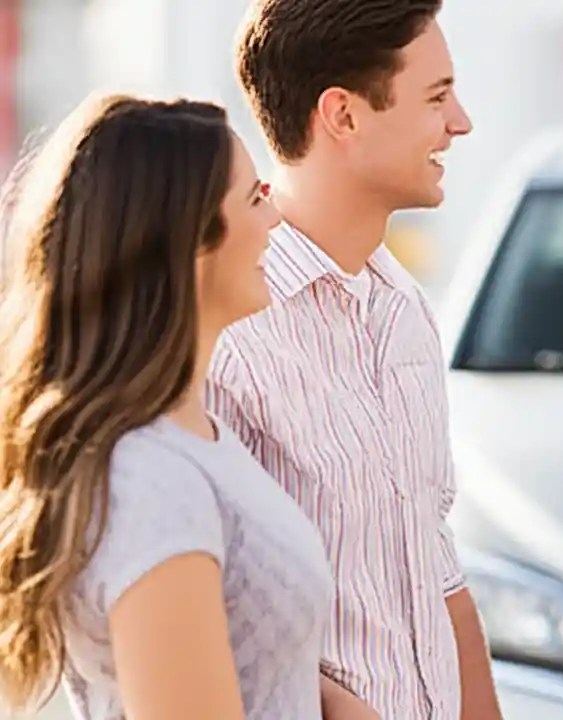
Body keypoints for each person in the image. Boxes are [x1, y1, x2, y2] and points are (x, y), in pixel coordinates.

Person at [208, 2, 500, 719]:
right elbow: (200, 607)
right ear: (342, 115)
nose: (460, 122)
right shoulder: (229, 329)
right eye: (436, 97)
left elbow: (434, 569)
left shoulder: (405, 313)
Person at [0, 93, 332, 720]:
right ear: (188, 242)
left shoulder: (193, 437)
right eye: (255, 200)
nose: (276, 221)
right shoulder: (149, 481)